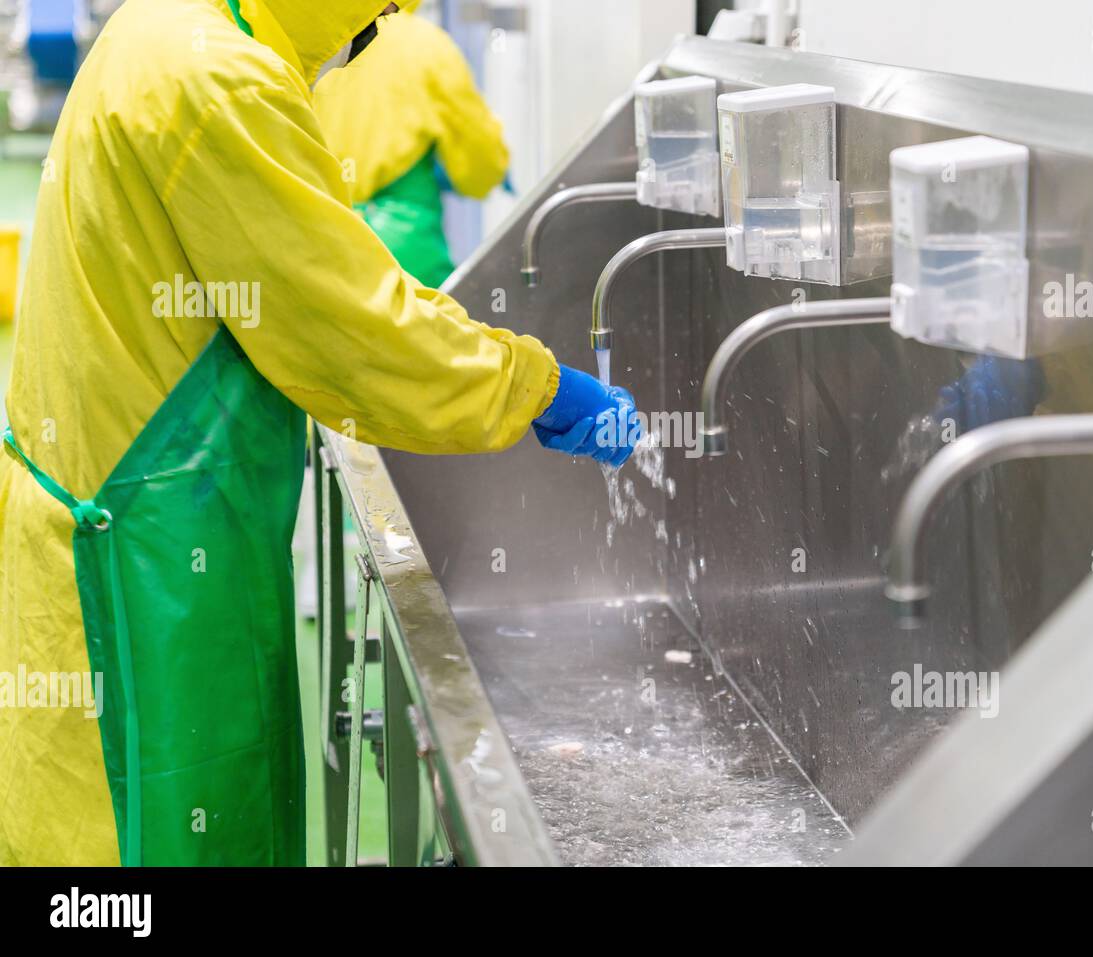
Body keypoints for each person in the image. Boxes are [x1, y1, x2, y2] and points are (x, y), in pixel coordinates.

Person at [0, 0, 636, 866]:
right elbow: (354, 332)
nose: (362, 41)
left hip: (129, 514)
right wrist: (539, 386)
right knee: (162, 838)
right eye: (370, 17)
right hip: (145, 560)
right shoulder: (217, 77)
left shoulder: (166, 26)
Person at [313, 3, 504, 287]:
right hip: (406, 257)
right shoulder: (425, 45)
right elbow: (481, 171)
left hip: (319, 243)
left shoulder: (314, 45)